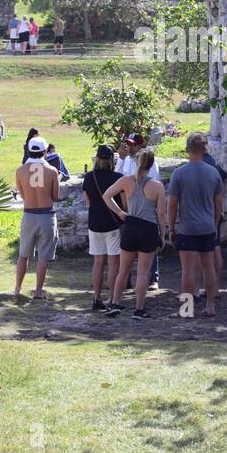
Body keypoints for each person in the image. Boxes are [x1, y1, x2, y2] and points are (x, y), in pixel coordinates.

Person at [102, 149, 167, 320]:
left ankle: (114, 303)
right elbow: (161, 214)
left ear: (137, 163)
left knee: (123, 270)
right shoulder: (157, 186)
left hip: (130, 226)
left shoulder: (126, 180)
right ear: (151, 165)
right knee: (143, 273)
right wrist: (163, 235)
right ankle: (138, 309)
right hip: (148, 228)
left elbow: (106, 196)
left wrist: (121, 213)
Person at [168, 132, 224, 317]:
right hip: (208, 227)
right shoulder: (213, 172)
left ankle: (186, 309)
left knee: (188, 269)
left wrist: (171, 227)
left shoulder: (179, 173)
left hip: (188, 228)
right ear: (205, 149)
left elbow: (172, 204)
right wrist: (215, 225)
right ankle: (210, 306)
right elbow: (219, 204)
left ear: (188, 149)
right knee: (209, 267)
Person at [14, 136, 60, 300]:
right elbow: (55, 196)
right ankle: (38, 291)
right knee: (43, 256)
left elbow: (22, 195)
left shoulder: (20, 171)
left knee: (23, 254)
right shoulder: (52, 171)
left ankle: (17, 289)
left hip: (29, 215)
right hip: (46, 215)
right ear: (45, 151)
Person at [185, 143, 227, 298]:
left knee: (196, 258)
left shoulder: (198, 165)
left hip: (198, 215)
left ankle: (193, 294)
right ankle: (213, 292)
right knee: (214, 252)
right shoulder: (211, 162)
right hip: (211, 215)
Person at [81, 145, 123, 310]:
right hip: (112, 223)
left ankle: (97, 298)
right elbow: (124, 203)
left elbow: (88, 201)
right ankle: (113, 299)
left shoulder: (89, 177)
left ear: (97, 158)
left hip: (95, 222)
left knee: (98, 263)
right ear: (112, 160)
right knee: (114, 263)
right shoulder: (118, 177)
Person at [115, 134, 160, 288]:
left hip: (144, 206)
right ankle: (126, 279)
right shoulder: (127, 160)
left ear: (141, 146)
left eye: (133, 145)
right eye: (129, 144)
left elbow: (151, 181)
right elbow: (117, 178)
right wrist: (120, 159)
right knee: (127, 245)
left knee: (149, 245)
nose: (130, 148)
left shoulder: (150, 163)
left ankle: (153, 278)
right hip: (128, 207)